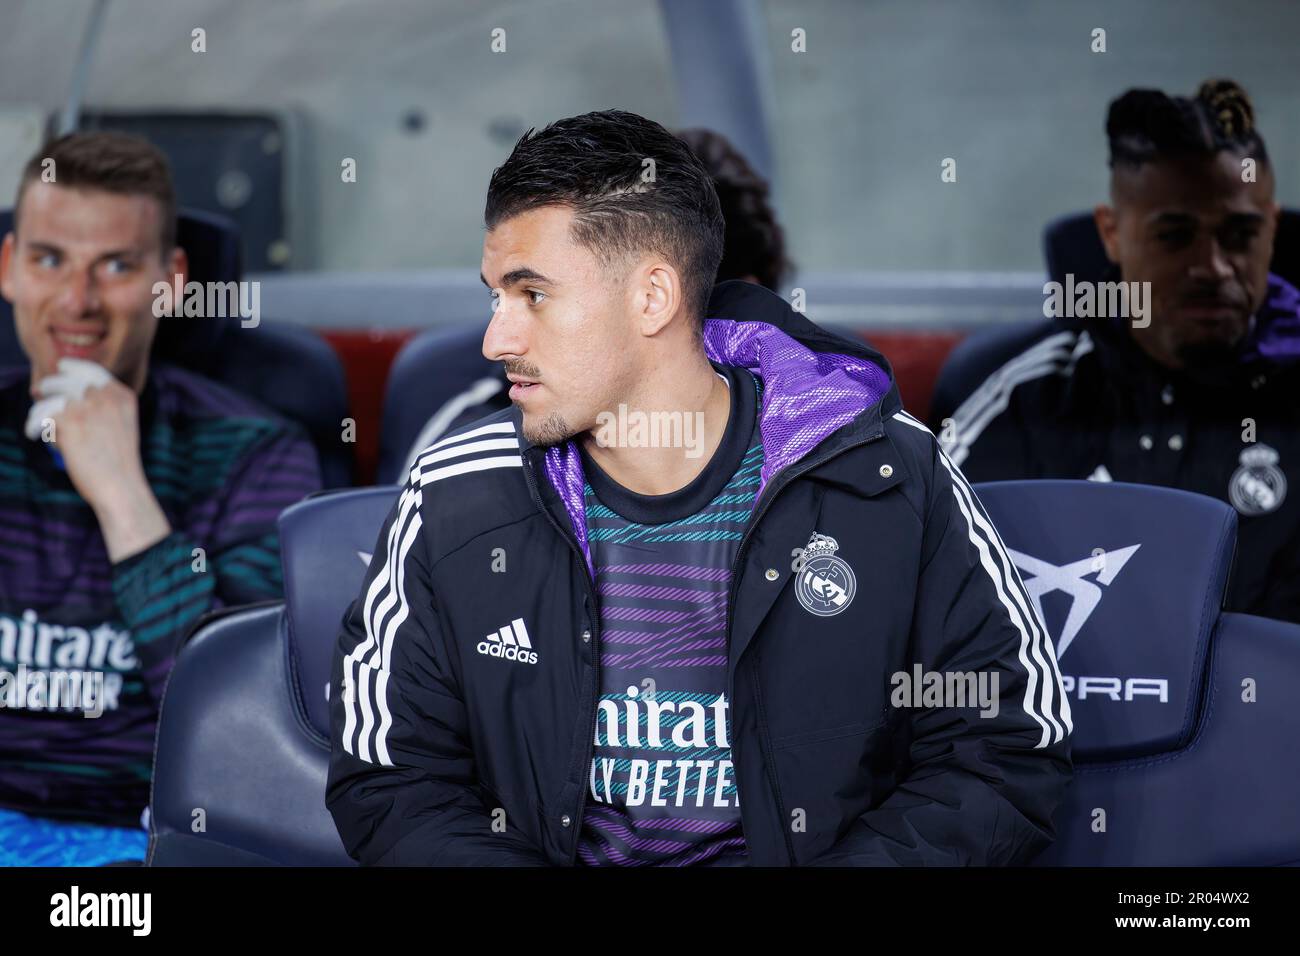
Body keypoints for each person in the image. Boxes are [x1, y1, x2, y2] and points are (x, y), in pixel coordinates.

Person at [327, 109, 1072, 866]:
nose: (496, 340)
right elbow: (391, 779)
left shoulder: (888, 472)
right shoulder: (457, 491)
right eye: (496, 297)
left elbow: (1006, 748)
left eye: (533, 295)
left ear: (653, 296)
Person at [0, 131, 321, 862]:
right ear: (10, 268)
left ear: (170, 281)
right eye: (50, 260)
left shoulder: (254, 451)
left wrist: (122, 496)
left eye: (115, 265)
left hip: (158, 833)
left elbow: (250, 720)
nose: (77, 302)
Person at [931, 79, 1300, 623]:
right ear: (1111, 233)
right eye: (1175, 235)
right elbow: (922, 596)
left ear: (1271, 230)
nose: (1214, 268)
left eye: (1240, 234)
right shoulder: (1027, 403)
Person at [390, 126, 794, 481]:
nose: (496, 343)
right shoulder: (469, 461)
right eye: (520, 295)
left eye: (535, 295)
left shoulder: (827, 436)